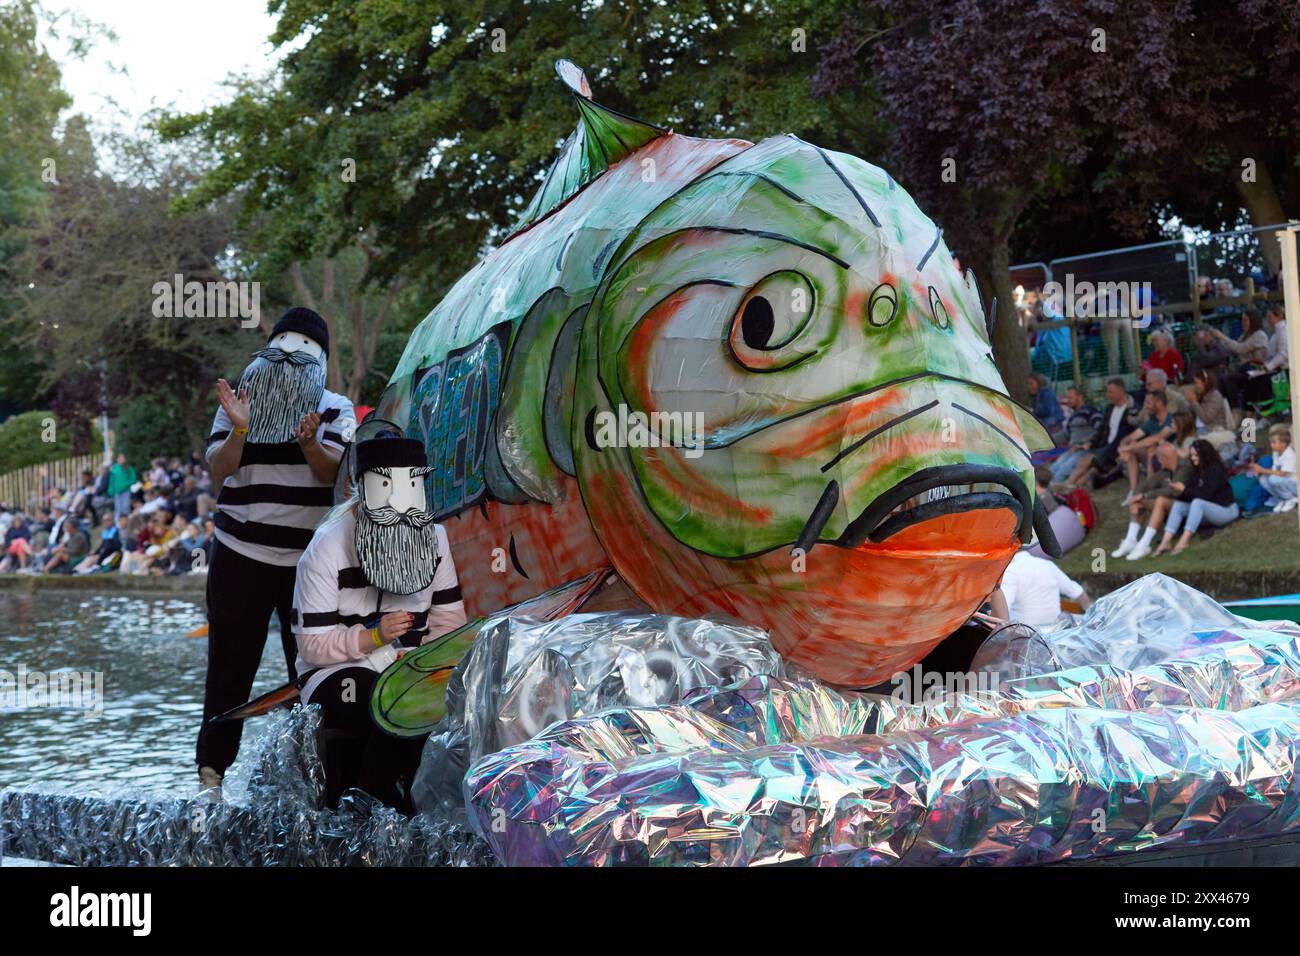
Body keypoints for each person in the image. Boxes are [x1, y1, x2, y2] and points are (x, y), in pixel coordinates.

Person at [196, 307, 356, 795]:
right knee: (228, 666)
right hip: (238, 550)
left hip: (307, 564)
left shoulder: (335, 407)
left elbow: (335, 474)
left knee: (312, 671)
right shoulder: (237, 402)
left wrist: (309, 442)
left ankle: (321, 782)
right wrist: (242, 428)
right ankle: (211, 776)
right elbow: (216, 469)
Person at [293, 433, 466, 812]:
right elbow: (312, 645)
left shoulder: (435, 539)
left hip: (411, 667)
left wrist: (423, 662)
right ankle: (370, 810)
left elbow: (450, 625)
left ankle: (385, 809)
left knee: (432, 703)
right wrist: (372, 637)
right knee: (372, 697)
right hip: (336, 671)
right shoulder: (326, 547)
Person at [1154, 439, 1239, 556]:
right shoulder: (1197, 471)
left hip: (1226, 510)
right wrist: (1180, 490)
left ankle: (1185, 540)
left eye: (1195, 455)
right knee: (1179, 505)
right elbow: (1190, 493)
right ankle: (1165, 541)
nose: (1193, 458)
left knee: (1198, 502)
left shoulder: (1216, 470)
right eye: (1191, 455)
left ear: (1204, 454)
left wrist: (1184, 489)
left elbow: (1205, 495)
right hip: (1208, 510)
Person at [1112, 440, 1189, 560]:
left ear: (1166, 457)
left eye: (1159, 458)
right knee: (1140, 501)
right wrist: (1135, 499)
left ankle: (1144, 544)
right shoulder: (1164, 472)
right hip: (1169, 506)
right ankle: (1131, 540)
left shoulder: (1184, 468)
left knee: (1160, 500)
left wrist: (1144, 496)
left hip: (1184, 505)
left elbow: (1172, 491)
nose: (1158, 462)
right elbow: (1146, 485)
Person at [989, 545, 1092, 631]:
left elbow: (1003, 609)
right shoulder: (1047, 565)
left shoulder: (1010, 571)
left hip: (1026, 635)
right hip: (1056, 630)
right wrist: (1091, 616)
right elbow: (1078, 592)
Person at [1062, 377, 1135, 489]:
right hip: (1105, 447)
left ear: (1121, 391)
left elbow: (1123, 437)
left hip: (1117, 450)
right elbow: (1100, 431)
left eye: (1111, 392)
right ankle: (1071, 487)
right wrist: (1089, 443)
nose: (1107, 394)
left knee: (1085, 461)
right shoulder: (1109, 408)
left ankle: (1068, 484)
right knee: (1090, 468)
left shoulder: (1132, 411)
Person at [1118, 389, 1174, 502]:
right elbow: (1131, 437)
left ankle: (1149, 490)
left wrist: (1130, 446)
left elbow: (1158, 437)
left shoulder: (1171, 419)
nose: (1146, 407)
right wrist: (1123, 447)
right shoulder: (1152, 421)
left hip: (1171, 460)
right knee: (1134, 451)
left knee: (1152, 449)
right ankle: (1133, 491)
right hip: (1155, 459)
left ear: (1159, 403)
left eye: (1148, 403)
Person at [1214, 308, 1274, 409]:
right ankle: (1227, 409)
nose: (1243, 323)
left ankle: (1236, 409)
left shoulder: (1259, 335)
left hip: (1256, 371)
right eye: (1242, 320)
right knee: (1221, 379)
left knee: (1229, 379)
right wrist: (1217, 341)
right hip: (1244, 369)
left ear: (1253, 320)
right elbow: (1232, 349)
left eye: (1245, 320)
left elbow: (1240, 348)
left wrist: (1222, 337)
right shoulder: (1244, 335)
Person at [1048, 386, 1102, 484]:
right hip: (1072, 450)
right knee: (1053, 469)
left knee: (1064, 470)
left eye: (1071, 398)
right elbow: (1066, 435)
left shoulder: (1091, 411)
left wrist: (1087, 443)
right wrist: (1047, 438)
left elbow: (1100, 429)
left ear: (1080, 397)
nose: (1068, 401)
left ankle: (1051, 493)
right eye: (1067, 398)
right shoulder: (1073, 416)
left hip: (1085, 450)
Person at [1183, 368, 1236, 451]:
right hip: (1200, 431)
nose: (1196, 385)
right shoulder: (1201, 395)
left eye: (1197, 383)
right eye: (1195, 382)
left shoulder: (1215, 396)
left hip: (1214, 430)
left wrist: (1194, 402)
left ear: (1206, 382)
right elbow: (1192, 413)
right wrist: (1190, 403)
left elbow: (1207, 418)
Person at [1248, 425, 1296, 513]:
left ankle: (1291, 499)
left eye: (1274, 442)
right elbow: (1274, 470)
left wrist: (1261, 470)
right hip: (1285, 483)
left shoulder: (1289, 454)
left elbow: (1282, 474)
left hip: (1295, 485)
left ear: (1283, 444)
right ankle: (1281, 499)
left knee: (1273, 479)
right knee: (1263, 479)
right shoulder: (1276, 453)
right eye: (1271, 442)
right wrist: (1256, 470)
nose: (1271, 445)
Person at [1027, 372, 1064, 437]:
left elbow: (1048, 410)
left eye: (1031, 384)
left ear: (1038, 383)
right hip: (1047, 424)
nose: (1029, 386)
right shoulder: (1037, 396)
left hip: (1053, 426)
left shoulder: (1046, 394)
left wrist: (1032, 411)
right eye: (1028, 384)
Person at [107, 453, 137, 520]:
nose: (121, 460)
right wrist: (111, 490)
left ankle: (127, 521)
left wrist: (127, 483)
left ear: (125, 459)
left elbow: (133, 478)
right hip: (117, 492)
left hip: (126, 491)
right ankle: (118, 523)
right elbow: (112, 481)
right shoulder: (114, 469)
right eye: (120, 458)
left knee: (125, 507)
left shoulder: (129, 468)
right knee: (118, 507)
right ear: (117, 459)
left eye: (123, 458)